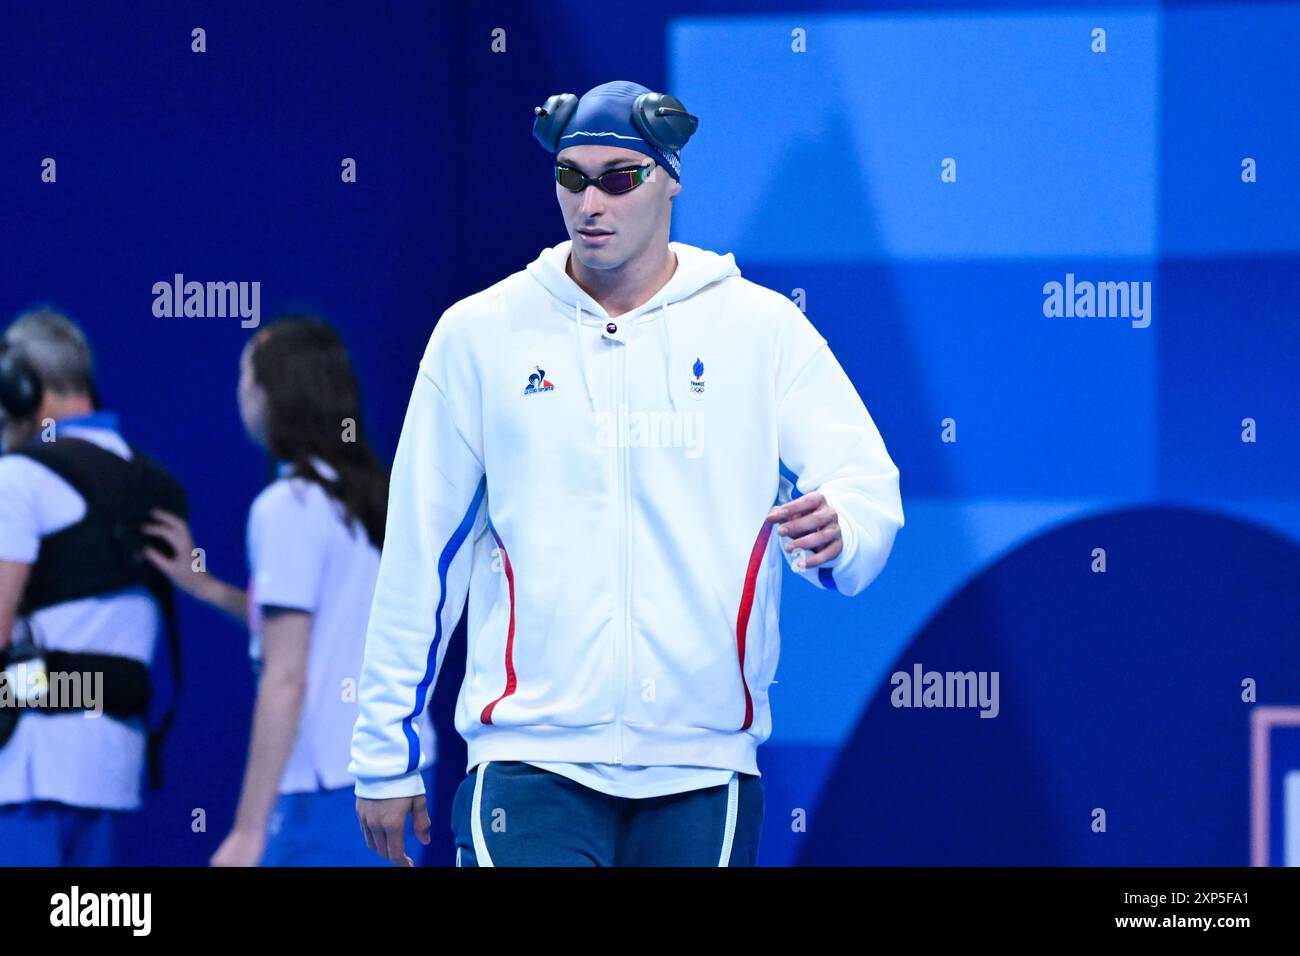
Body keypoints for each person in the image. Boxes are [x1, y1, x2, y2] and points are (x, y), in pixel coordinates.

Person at [350, 80, 905, 867]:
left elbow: (866, 486)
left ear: (670, 179)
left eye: (620, 177)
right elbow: (419, 555)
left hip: (701, 767)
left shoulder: (759, 329)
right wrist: (383, 751)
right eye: (572, 178)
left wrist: (842, 530)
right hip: (530, 762)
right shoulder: (480, 335)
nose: (591, 203)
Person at [142, 315, 435, 866]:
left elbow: (286, 675)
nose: (239, 390)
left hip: (328, 792)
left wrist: (249, 833)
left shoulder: (287, 507)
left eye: (245, 375)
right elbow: (314, 627)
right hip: (403, 771)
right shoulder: (375, 499)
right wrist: (204, 587)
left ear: (274, 394)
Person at [0, 306, 186, 866]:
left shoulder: (18, 478)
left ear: (19, 387)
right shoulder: (158, 484)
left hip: (28, 768)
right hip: (111, 765)